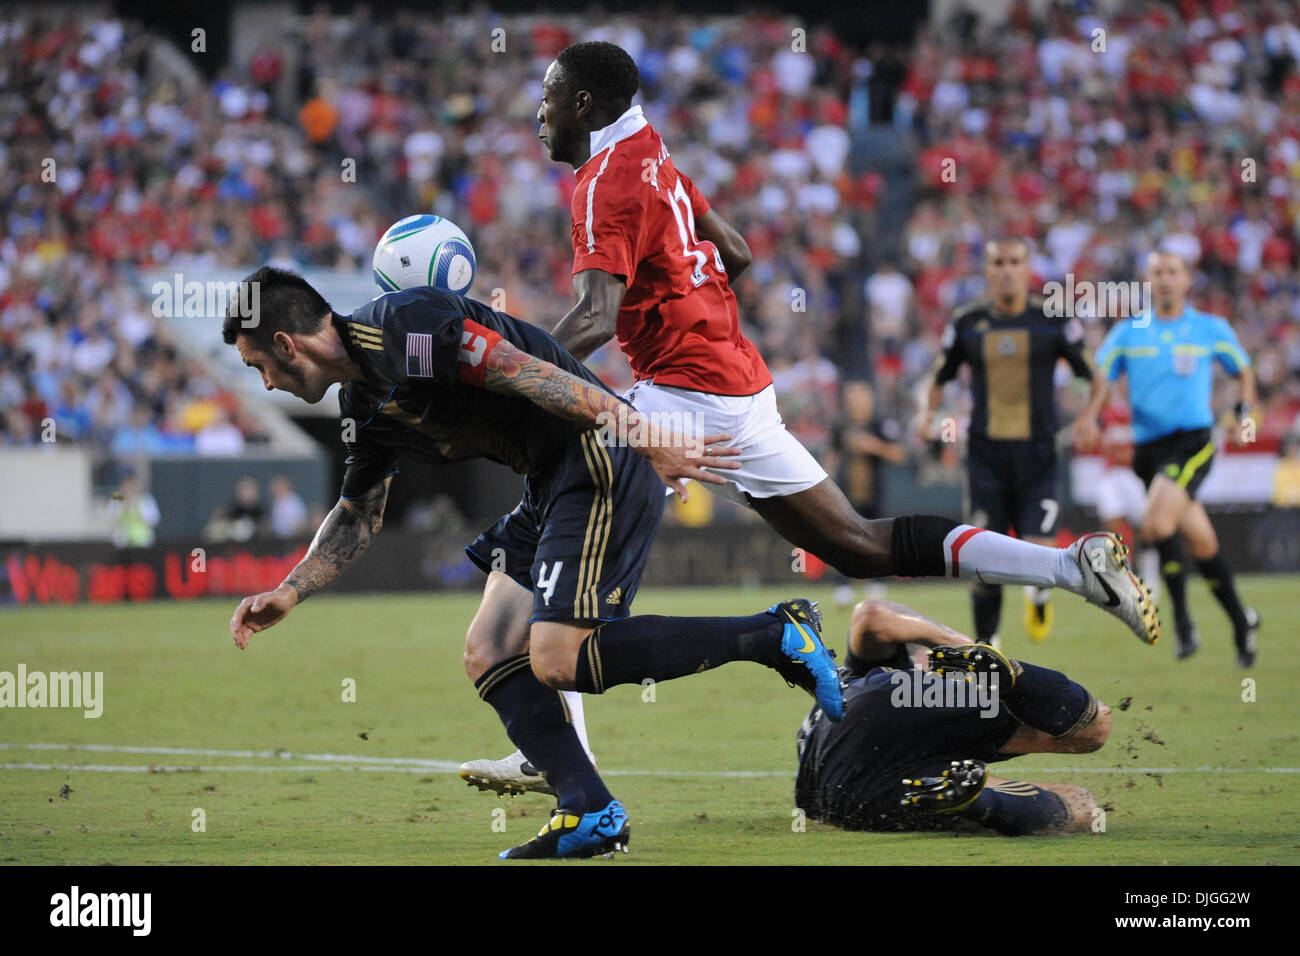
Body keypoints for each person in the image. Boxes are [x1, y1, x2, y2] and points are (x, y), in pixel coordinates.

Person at [458, 41, 1156, 797]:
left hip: (685, 395)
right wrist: (691, 312)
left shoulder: (602, 182)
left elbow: (596, 314)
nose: (540, 114)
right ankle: (1069, 566)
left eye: (550, 97)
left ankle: (561, 753)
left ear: (584, 104)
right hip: (736, 385)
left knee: (566, 492)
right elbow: (738, 251)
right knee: (857, 543)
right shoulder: (652, 150)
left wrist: (505, 372)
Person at [221, 266, 843, 859]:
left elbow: (524, 371)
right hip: (549, 481)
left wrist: (637, 431)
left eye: (259, 367)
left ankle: (775, 635)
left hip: (594, 452)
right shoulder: (362, 407)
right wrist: (292, 589)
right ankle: (589, 808)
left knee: (556, 656)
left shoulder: (403, 324)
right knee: (488, 650)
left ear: (285, 342)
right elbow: (359, 513)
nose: (266, 384)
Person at [1077, 250, 1260, 666]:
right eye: (1157, 272)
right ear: (1147, 279)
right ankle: (1241, 621)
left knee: (1157, 523)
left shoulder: (1209, 328)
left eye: (1172, 272)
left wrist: (1243, 415)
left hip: (1193, 442)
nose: (1164, 279)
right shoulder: (1128, 332)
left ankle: (1181, 623)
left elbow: (1243, 371)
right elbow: (1102, 378)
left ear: (1186, 279)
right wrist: (1089, 415)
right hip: (1149, 452)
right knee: (1202, 541)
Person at [918, 237, 1100, 647]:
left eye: (1014, 261)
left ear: (1027, 268)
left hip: (1038, 455)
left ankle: (1038, 595)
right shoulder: (967, 323)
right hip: (986, 457)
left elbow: (1096, 376)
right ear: (987, 269)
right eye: (997, 262)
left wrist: (1089, 416)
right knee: (983, 559)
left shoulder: (1052, 320)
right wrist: (925, 414)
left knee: (1038, 551)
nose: (1005, 269)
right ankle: (988, 646)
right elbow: (938, 377)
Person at [796, 598, 1110, 836]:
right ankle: (1012, 676)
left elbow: (871, 613)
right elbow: (873, 614)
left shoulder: (850, 680)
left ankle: (976, 799)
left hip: (833, 799)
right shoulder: (919, 684)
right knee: (1091, 745)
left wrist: (952, 643)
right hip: (902, 705)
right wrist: (967, 647)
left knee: (949, 787)